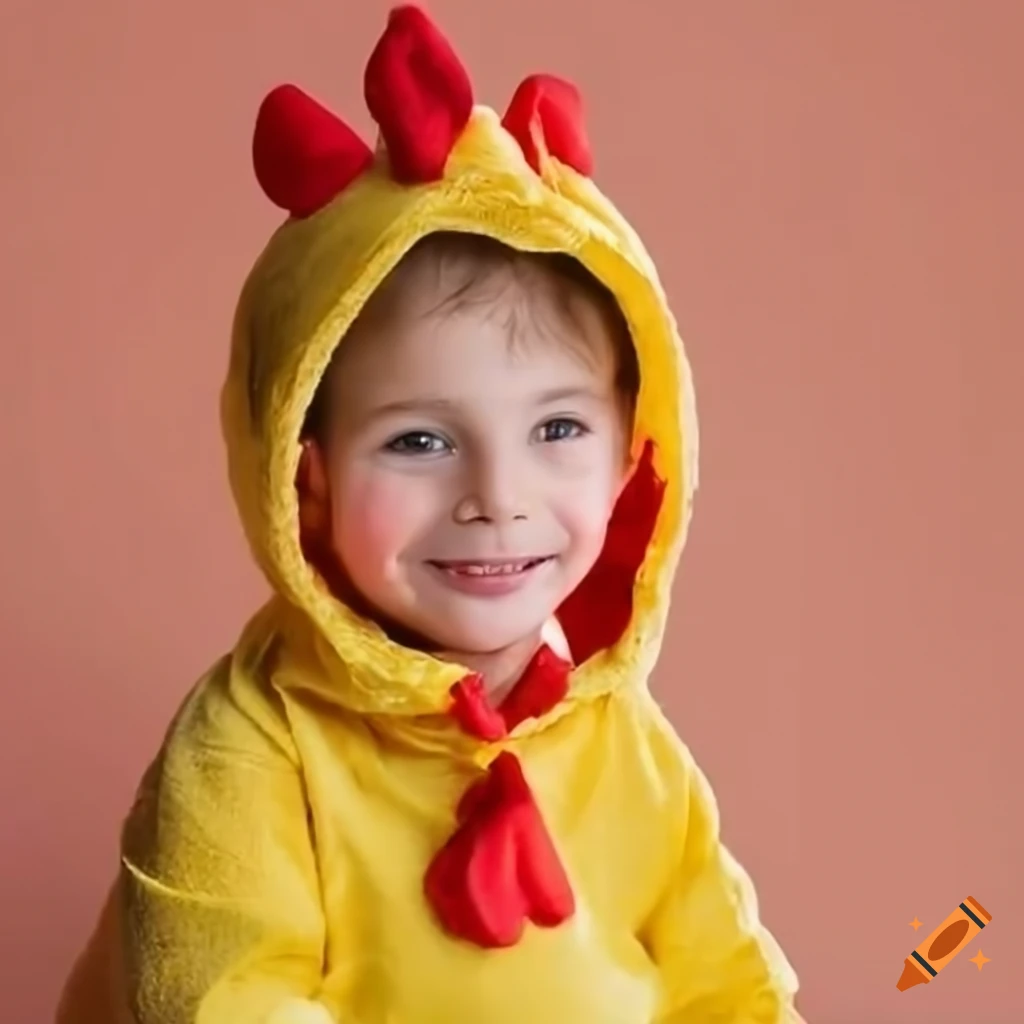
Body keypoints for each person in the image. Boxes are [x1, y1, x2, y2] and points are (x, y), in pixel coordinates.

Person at [57, 6, 804, 1023]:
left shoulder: (625, 740)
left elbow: (725, 979)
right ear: (303, 479)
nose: (497, 499)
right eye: (418, 441)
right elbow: (224, 998)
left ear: (634, 452)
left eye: (557, 430)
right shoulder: (252, 744)